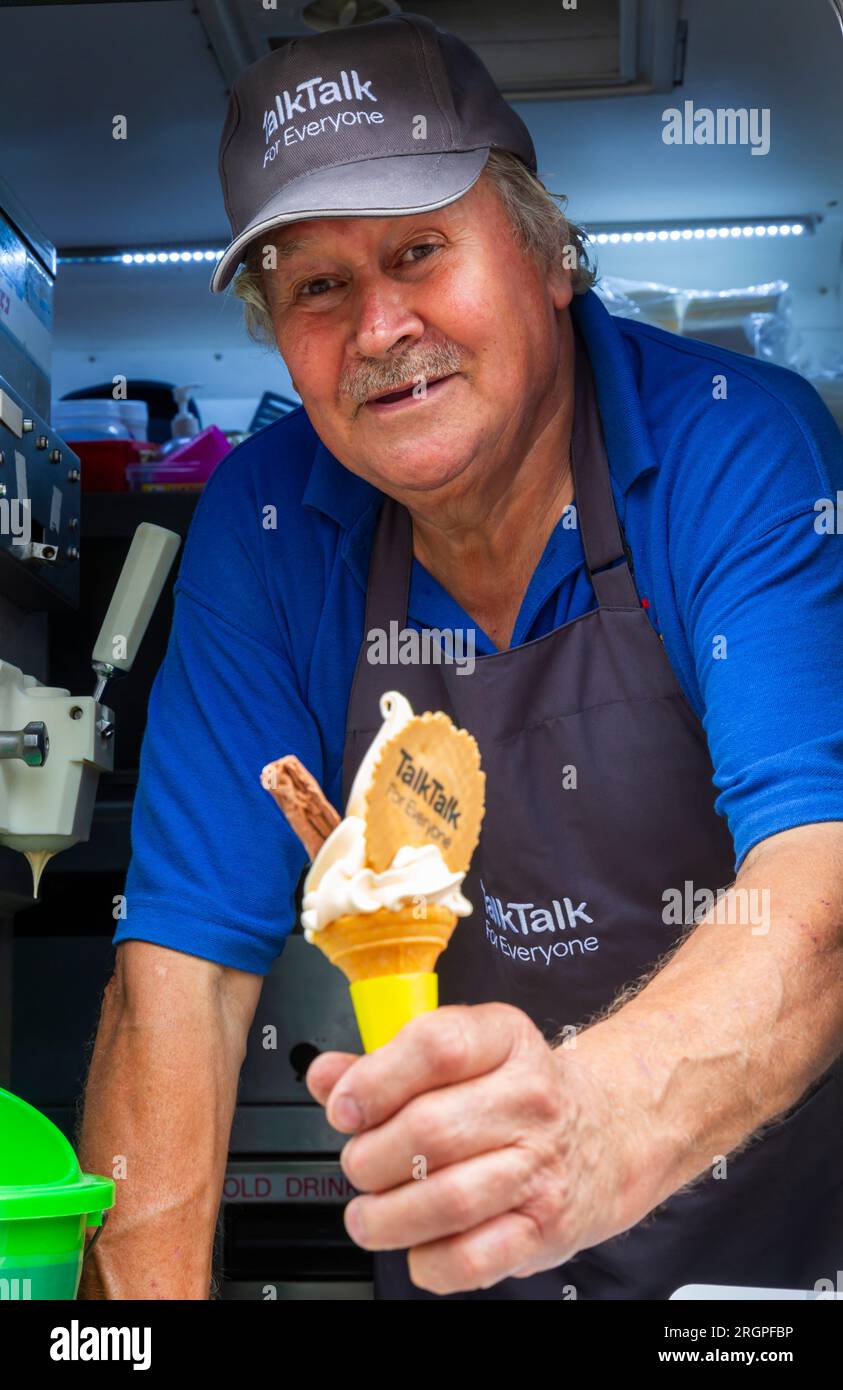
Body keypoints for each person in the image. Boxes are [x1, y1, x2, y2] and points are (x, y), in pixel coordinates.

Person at [78, 12, 843, 1300]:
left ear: (549, 256)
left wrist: (583, 1130)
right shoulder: (265, 527)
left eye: (419, 250)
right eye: (316, 286)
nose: (379, 328)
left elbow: (819, 881)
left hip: (761, 1274)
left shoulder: (733, 444)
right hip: (460, 1274)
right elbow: (183, 980)